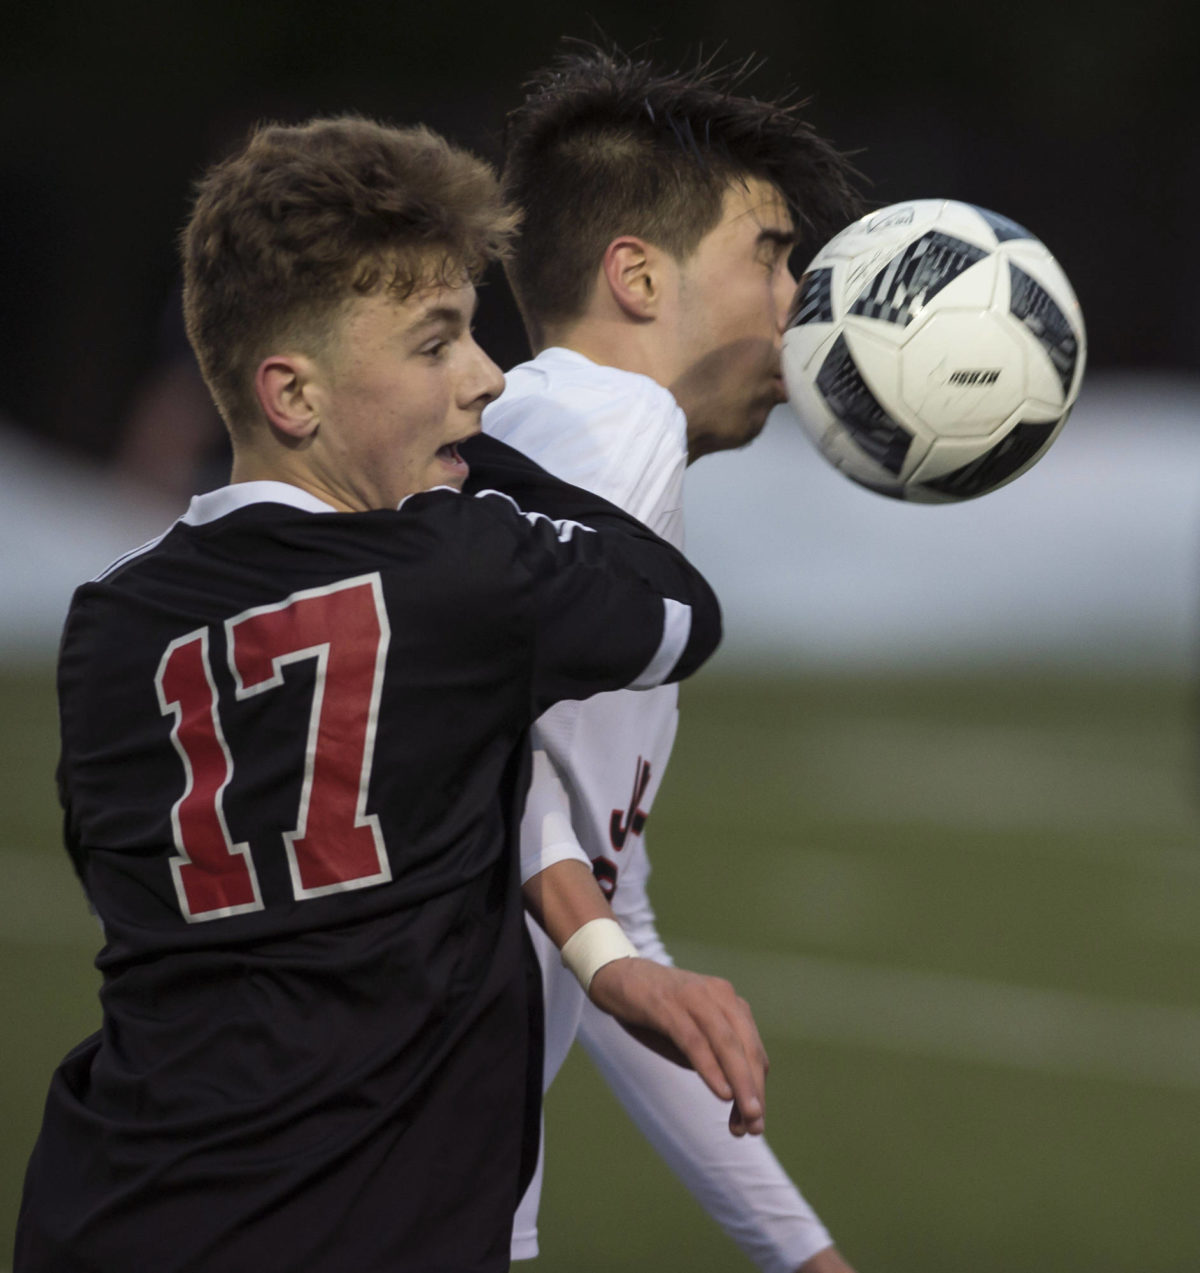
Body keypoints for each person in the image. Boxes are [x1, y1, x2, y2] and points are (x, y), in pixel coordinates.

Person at [14, 115, 772, 1273]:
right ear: (293, 394)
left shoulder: (107, 623)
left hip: (108, 1210)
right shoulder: (459, 573)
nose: (487, 377)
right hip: (357, 1231)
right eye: (435, 346)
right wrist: (480, 475)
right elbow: (676, 611)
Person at [477, 46, 864, 1273]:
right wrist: (605, 956)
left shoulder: (565, 458)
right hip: (379, 1146)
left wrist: (805, 1256)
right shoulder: (604, 419)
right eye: (771, 256)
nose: (798, 300)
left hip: (407, 1149)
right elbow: (472, 734)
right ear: (637, 275)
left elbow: (610, 915)